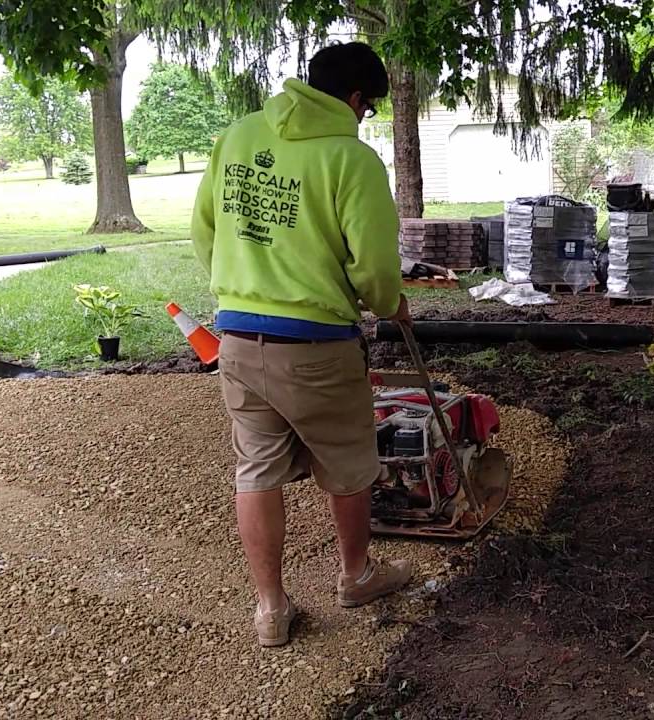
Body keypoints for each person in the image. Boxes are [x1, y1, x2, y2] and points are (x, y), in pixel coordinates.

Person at [191, 41, 412, 648]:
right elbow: (373, 268)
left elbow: (204, 231)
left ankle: (270, 609)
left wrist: (245, 288)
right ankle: (356, 576)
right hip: (316, 344)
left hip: (237, 336)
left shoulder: (237, 137)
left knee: (256, 468)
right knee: (348, 465)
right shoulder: (351, 159)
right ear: (357, 99)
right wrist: (388, 301)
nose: (364, 119)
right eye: (368, 109)